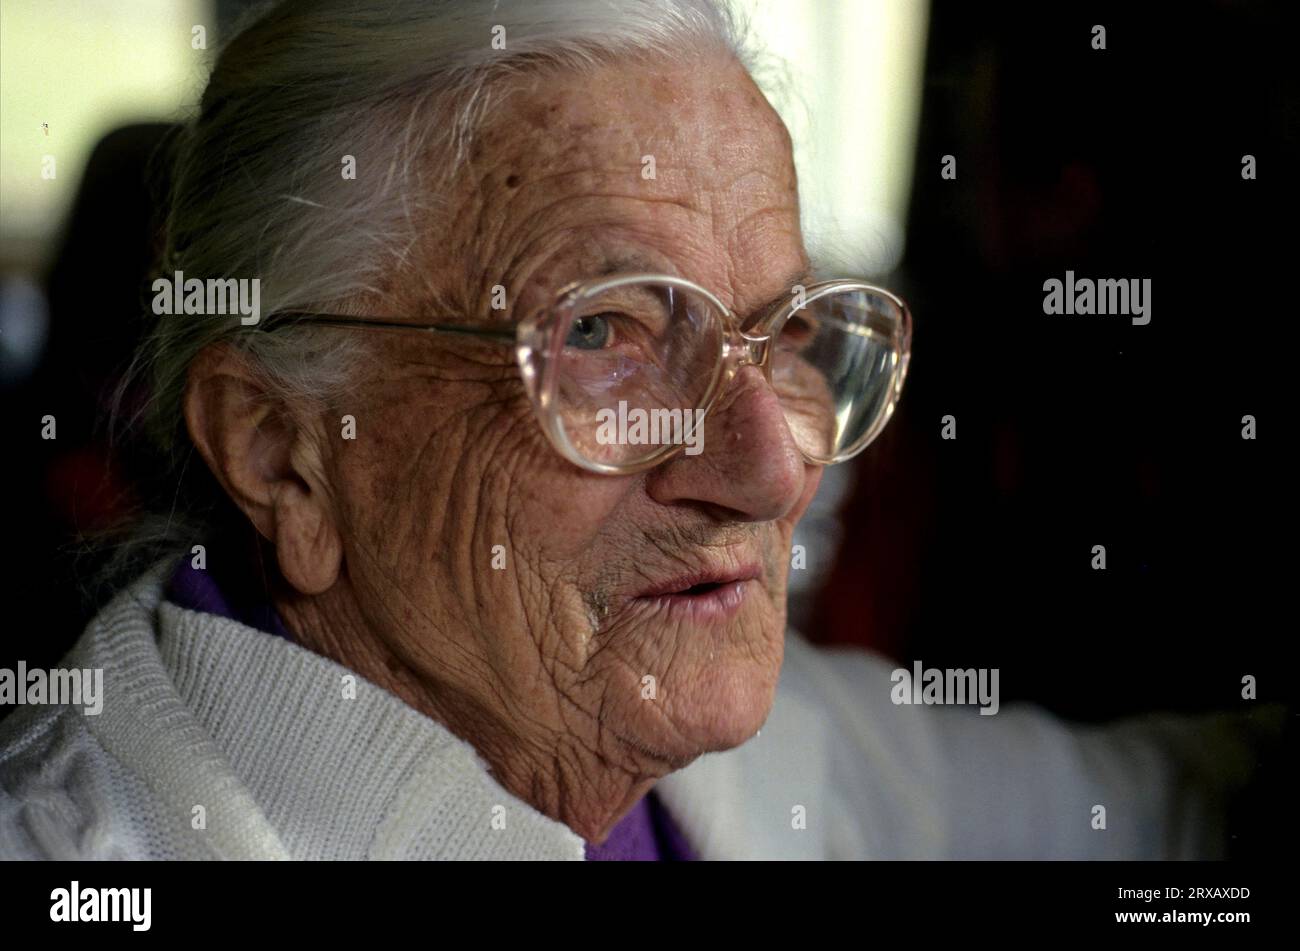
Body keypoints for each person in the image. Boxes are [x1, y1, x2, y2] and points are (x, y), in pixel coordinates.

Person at [0, 0, 1279, 860]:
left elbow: (1173, 805)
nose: (773, 466)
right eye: (602, 334)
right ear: (283, 453)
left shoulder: (778, 754)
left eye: (782, 333)